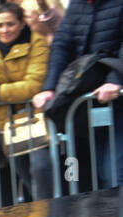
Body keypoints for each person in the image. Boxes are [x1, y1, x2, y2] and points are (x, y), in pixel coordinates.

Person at [32, 0, 123, 189]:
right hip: (92, 102)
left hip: (115, 94)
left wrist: (116, 79)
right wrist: (49, 87)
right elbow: (62, 44)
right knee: (102, 175)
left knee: (114, 173)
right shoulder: (78, 4)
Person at [0, 2, 52, 200]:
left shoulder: (37, 42)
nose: (4, 30)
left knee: (41, 169)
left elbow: (33, 85)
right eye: (0, 25)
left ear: (21, 24)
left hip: (36, 119)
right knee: (25, 176)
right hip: (8, 125)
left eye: (10, 24)